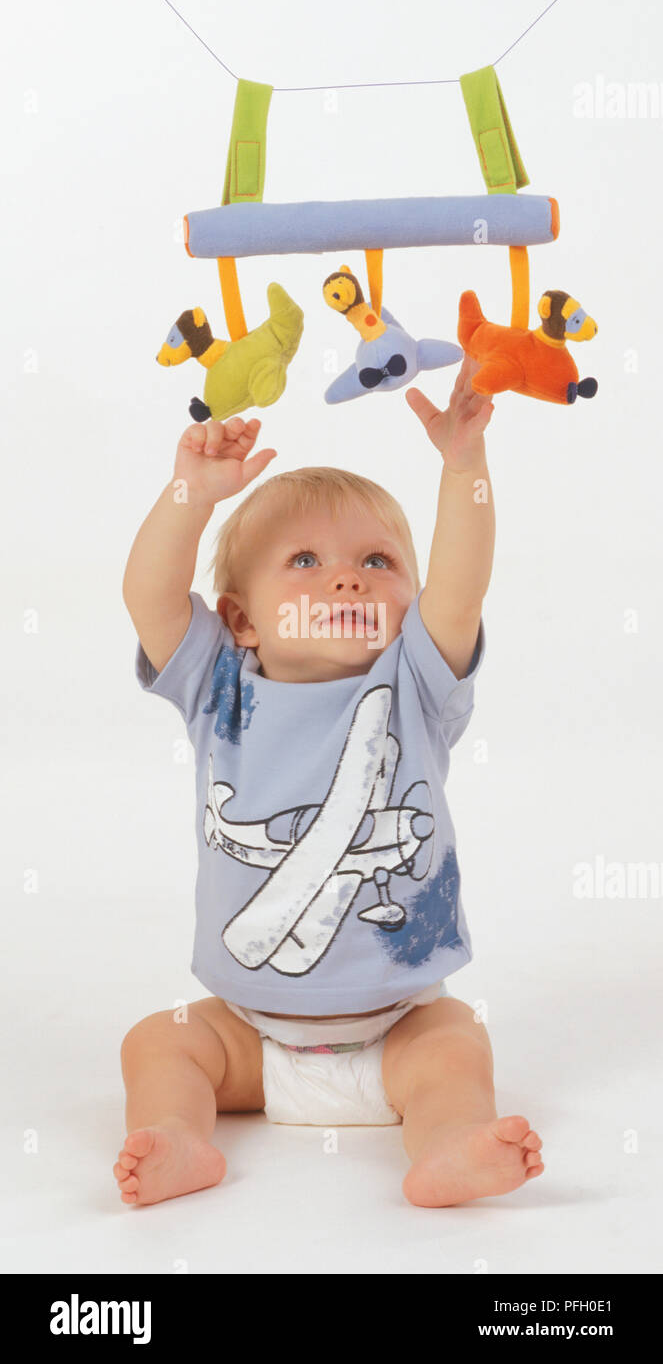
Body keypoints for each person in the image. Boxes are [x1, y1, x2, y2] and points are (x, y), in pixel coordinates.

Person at [115, 355, 544, 1208]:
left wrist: (463, 469)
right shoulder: (217, 686)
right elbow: (149, 599)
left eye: (377, 562)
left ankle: (450, 1145)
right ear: (238, 619)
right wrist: (190, 497)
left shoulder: (413, 684)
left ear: (411, 603)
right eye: (303, 560)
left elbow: (461, 585)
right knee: (156, 1045)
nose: (345, 578)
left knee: (458, 1049)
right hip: (243, 1026)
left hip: (400, 1023)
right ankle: (178, 1140)